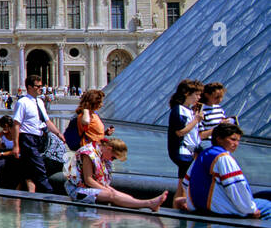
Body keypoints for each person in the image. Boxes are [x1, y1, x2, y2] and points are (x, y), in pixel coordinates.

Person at [184, 122, 264, 219]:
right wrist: (251, 209)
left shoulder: (202, 156)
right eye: (233, 139)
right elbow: (236, 187)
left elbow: (186, 183)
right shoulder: (223, 158)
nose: (236, 144)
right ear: (219, 139)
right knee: (267, 206)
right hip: (222, 211)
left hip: (199, 208)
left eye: (238, 141)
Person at [67, 136, 166, 211]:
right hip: (78, 191)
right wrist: (107, 190)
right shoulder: (88, 154)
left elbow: (100, 182)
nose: (112, 160)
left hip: (90, 188)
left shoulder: (101, 154)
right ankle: (149, 203)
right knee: (112, 195)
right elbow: (88, 180)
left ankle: (148, 203)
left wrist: (109, 189)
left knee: (115, 193)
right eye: (113, 157)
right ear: (109, 149)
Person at [13, 74, 57, 193]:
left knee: (28, 168)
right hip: (27, 138)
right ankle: (49, 192)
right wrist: (16, 145)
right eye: (38, 86)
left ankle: (29, 194)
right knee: (39, 166)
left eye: (41, 86)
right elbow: (16, 124)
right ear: (29, 87)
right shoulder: (22, 102)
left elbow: (47, 121)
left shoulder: (40, 102)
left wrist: (58, 134)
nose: (41, 89)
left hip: (39, 138)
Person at [166, 79, 204, 209]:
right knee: (183, 186)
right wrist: (196, 120)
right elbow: (180, 132)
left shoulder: (187, 110)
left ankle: (176, 211)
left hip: (188, 152)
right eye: (197, 94)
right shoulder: (179, 110)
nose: (199, 98)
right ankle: (178, 211)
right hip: (182, 152)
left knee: (182, 185)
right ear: (187, 93)